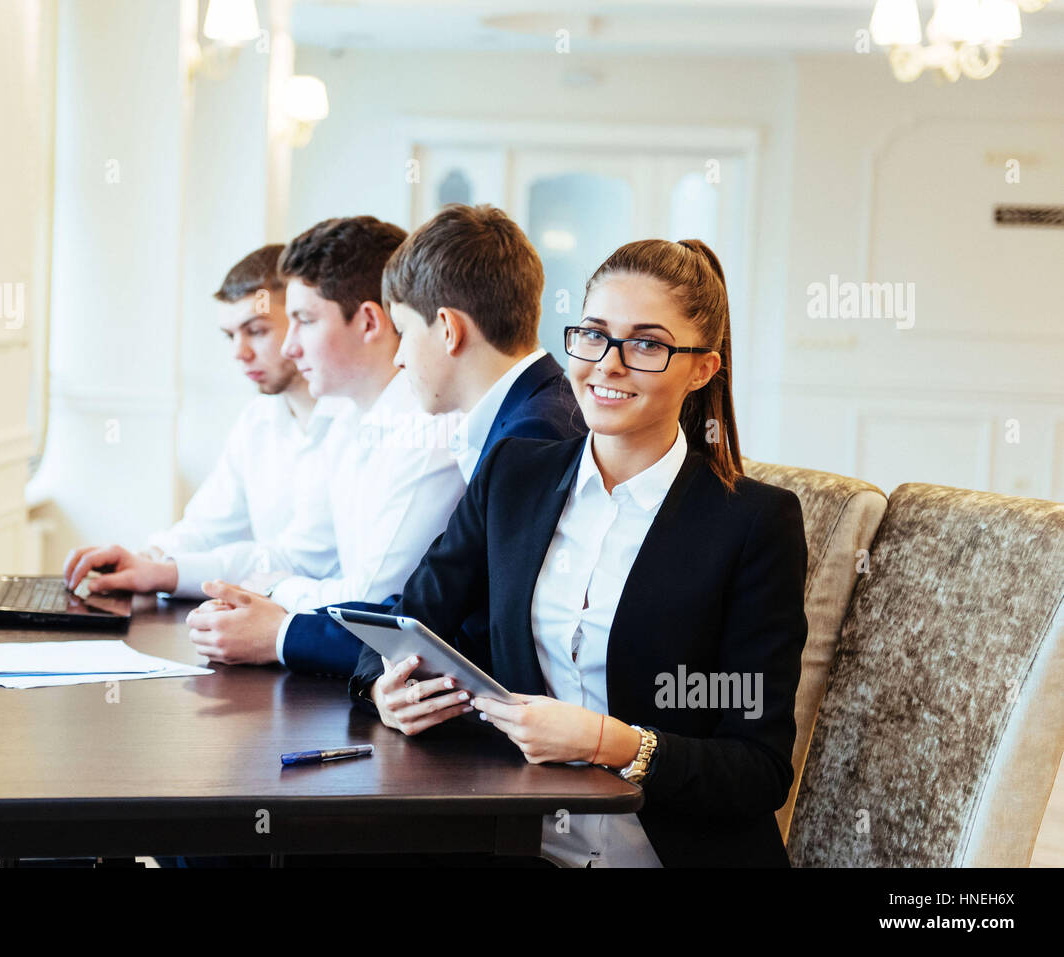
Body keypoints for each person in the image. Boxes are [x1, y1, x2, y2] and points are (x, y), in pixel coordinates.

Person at [352, 239, 809, 868]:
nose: (608, 364)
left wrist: (608, 742)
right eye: (593, 335)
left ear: (702, 368)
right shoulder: (515, 475)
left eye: (647, 344)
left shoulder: (754, 522)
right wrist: (385, 692)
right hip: (519, 842)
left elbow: (756, 769)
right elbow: (407, 622)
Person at [266, 203, 586, 677]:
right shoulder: (522, 414)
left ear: (449, 329)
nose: (397, 359)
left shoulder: (532, 435)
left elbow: (475, 630)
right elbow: (434, 597)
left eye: (403, 331)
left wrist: (284, 633)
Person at [183, 216, 466, 666]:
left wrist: (276, 587)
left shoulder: (428, 430)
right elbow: (306, 553)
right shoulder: (347, 417)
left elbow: (370, 602)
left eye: (304, 322)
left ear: (370, 321)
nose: (290, 348)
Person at [62, 245, 341, 598]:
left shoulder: (354, 419)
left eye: (256, 330)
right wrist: (147, 557)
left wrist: (164, 574)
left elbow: (299, 559)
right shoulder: (258, 419)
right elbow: (207, 525)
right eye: (230, 336)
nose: (239, 352)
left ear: (301, 321)